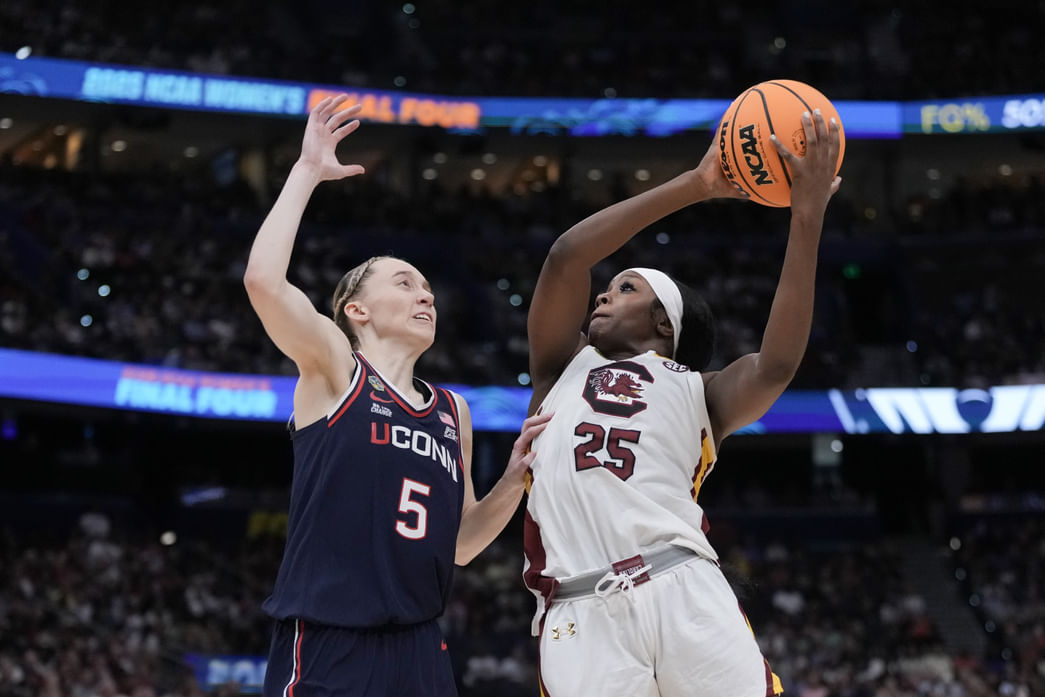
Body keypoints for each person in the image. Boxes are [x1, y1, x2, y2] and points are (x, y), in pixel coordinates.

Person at [523, 109, 842, 697]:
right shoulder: (560, 367)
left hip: (681, 582)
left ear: (664, 324)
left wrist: (807, 219)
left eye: (626, 288)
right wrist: (696, 185)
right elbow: (567, 254)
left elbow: (776, 366)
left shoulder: (699, 389)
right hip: (579, 604)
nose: (603, 292)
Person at [243, 94, 551, 697]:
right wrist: (306, 172)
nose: (426, 296)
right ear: (356, 309)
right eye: (405, 283)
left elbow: (461, 545)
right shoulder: (335, 369)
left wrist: (514, 478)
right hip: (330, 638)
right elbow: (262, 281)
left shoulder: (450, 410)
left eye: (429, 289)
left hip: (420, 646)